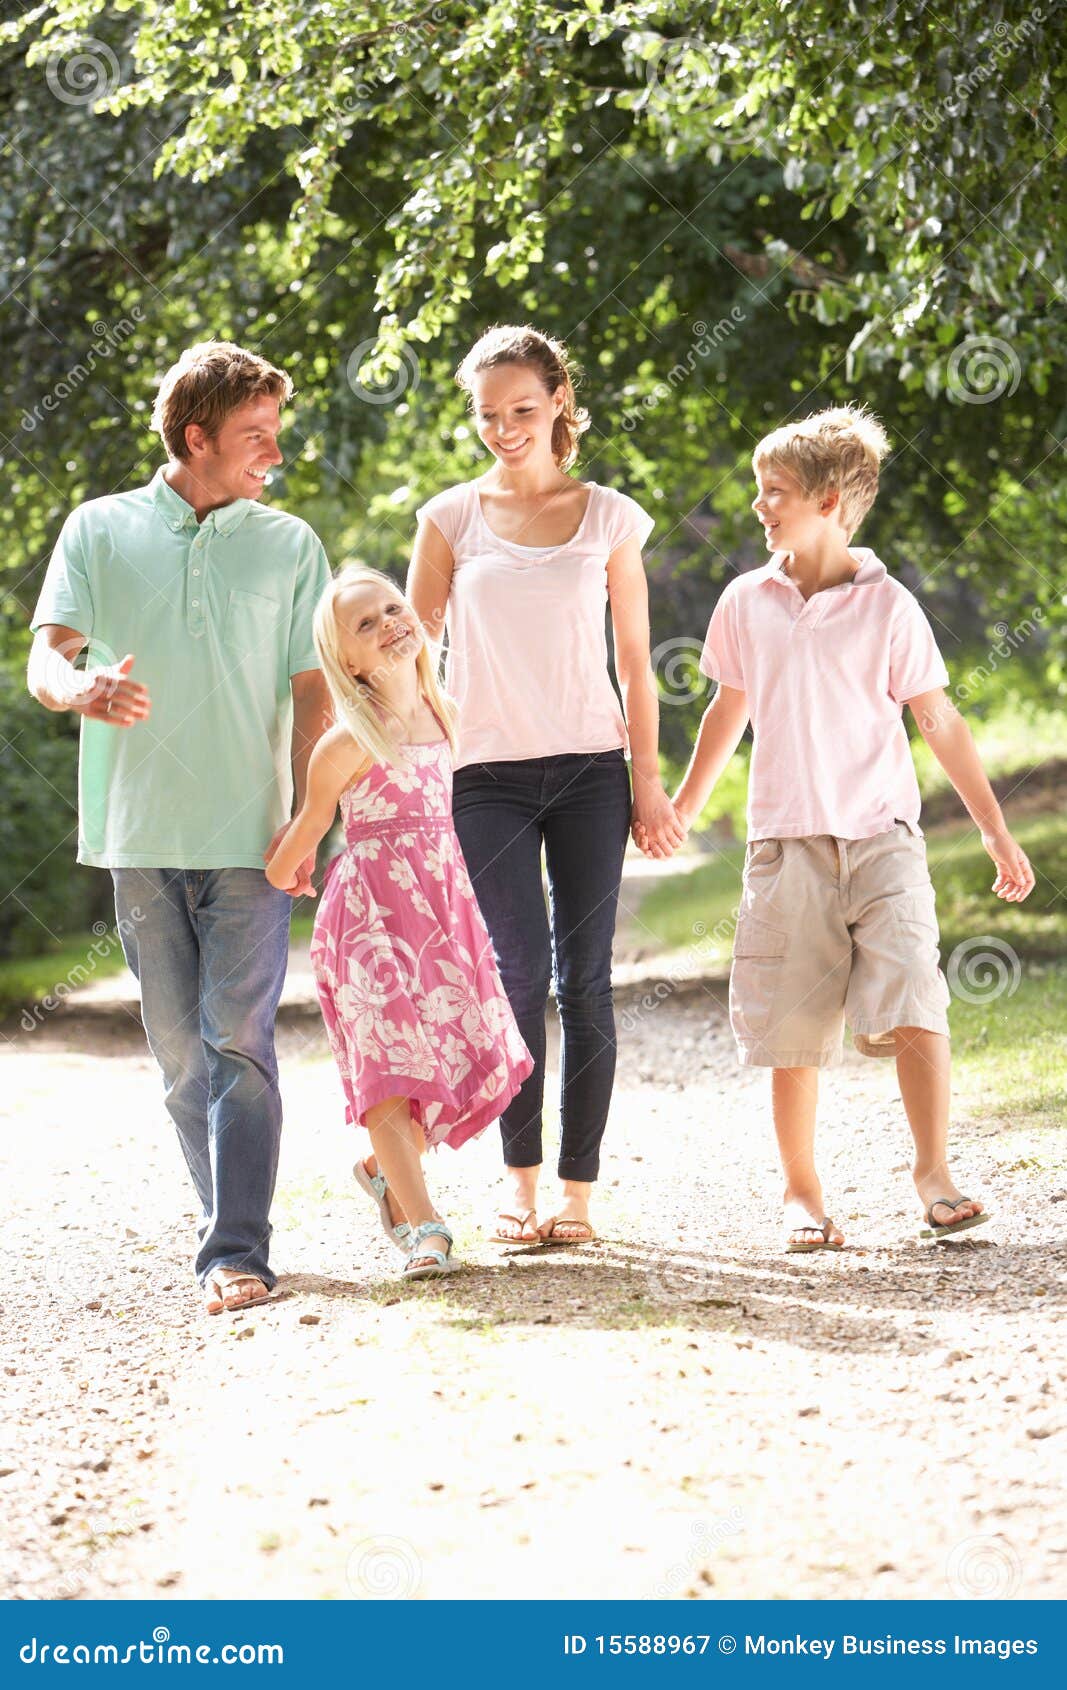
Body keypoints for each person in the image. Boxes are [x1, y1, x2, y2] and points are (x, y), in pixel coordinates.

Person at [660, 404, 1034, 1251]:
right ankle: (802, 1194)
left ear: (828, 500)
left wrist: (993, 830)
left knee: (914, 996)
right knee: (792, 1025)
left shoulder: (889, 606)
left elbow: (938, 721)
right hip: (784, 840)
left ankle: (933, 1174)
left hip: (882, 838)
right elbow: (729, 707)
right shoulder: (744, 600)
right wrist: (683, 807)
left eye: (775, 492)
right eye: (759, 490)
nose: (758, 506)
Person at [27, 341, 333, 1315]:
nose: (272, 455)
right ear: (195, 436)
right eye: (255, 437)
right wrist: (81, 688)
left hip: (251, 836)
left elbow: (313, 692)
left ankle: (235, 1248)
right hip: (138, 833)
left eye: (275, 438)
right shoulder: (98, 530)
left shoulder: (289, 545)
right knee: (178, 1058)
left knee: (238, 1040)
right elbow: (46, 657)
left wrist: (304, 821)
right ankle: (226, 1227)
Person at [408, 324, 684, 1248]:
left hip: (590, 774)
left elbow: (638, 663)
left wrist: (649, 786)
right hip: (481, 774)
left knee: (588, 983)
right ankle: (517, 1184)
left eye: (522, 409)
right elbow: (405, 660)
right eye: (488, 415)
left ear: (559, 399)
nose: (504, 429)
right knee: (516, 978)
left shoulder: (609, 515)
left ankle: (577, 1194)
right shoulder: (447, 519)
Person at [265, 565, 533, 1280]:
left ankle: (383, 1169)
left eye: (392, 607)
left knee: (444, 1051)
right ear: (346, 660)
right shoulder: (347, 739)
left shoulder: (444, 712)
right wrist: (287, 864)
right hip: (368, 918)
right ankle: (425, 1229)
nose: (388, 623)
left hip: (439, 908)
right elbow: (305, 834)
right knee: (387, 1069)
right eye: (365, 623)